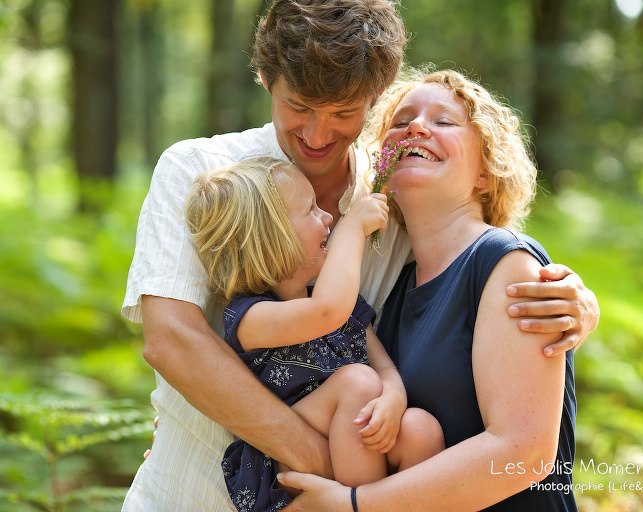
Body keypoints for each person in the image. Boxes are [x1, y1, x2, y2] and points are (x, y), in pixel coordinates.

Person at [121, 1, 599, 510]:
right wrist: (320, 467)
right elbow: (172, 339)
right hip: (190, 493)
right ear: (264, 77)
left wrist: (574, 301)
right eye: (299, 107)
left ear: (374, 98)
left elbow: (481, 248)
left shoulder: (391, 199)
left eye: (344, 113)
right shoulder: (202, 171)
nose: (318, 134)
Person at [277, 67, 581, 511]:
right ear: (383, 166)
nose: (417, 127)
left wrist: (356, 505)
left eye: (444, 121)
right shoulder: (393, 286)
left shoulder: (507, 263)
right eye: (401, 122)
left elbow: (525, 453)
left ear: (485, 171)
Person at [184, 157, 444, 511]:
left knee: (420, 429)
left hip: (357, 435)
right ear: (272, 237)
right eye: (310, 210)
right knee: (356, 382)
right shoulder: (252, 316)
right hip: (286, 459)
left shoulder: (343, 304)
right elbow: (325, 313)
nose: (327, 218)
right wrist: (351, 230)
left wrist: (394, 399)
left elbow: (385, 369)